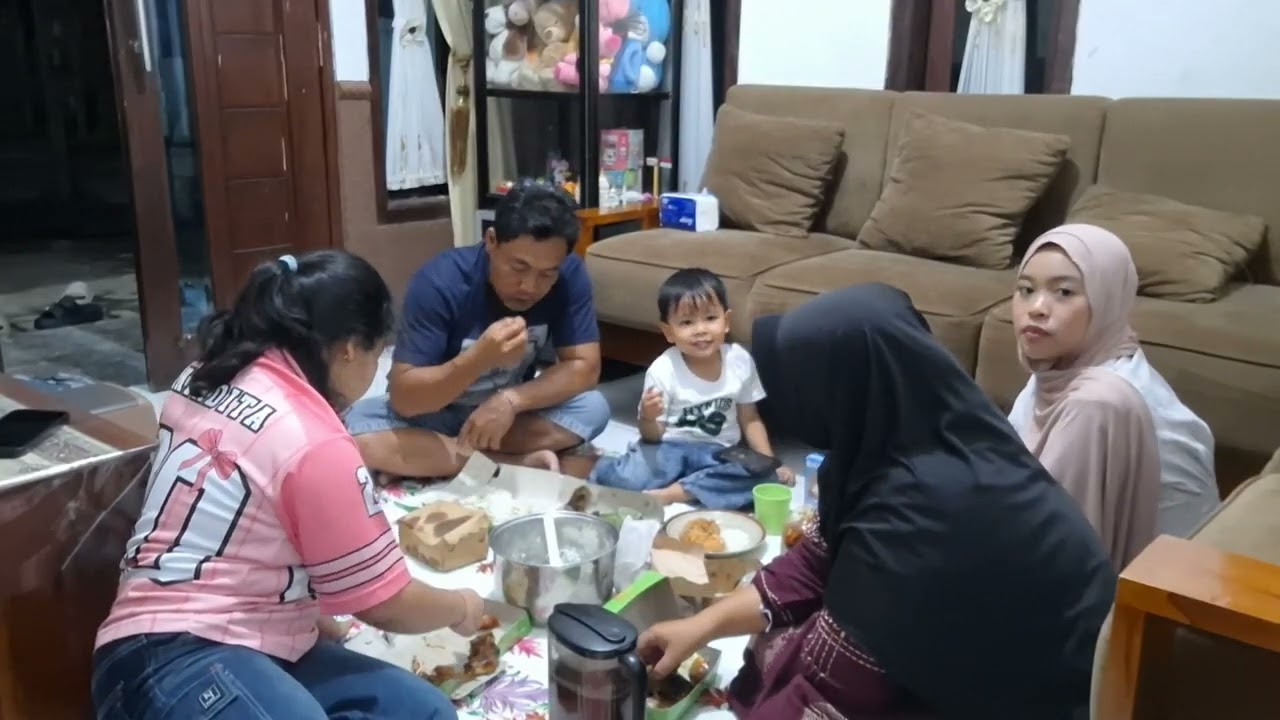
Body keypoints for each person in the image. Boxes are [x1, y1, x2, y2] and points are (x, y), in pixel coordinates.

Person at [637, 283, 1116, 719]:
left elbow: (838, 685)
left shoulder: (922, 509)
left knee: (788, 655)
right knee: (780, 640)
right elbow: (811, 565)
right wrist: (700, 627)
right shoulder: (921, 435)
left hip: (1025, 698)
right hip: (969, 651)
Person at [92, 252, 482, 719]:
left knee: (424, 711)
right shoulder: (313, 439)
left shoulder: (207, 372)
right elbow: (385, 602)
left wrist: (302, 613)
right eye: (378, 354)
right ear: (349, 348)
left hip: (254, 640)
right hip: (171, 656)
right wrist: (460, 605)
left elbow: (241, 520)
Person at [346, 181, 610, 478]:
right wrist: (479, 359)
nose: (529, 286)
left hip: (511, 420)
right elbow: (405, 399)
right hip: (434, 414)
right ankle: (509, 463)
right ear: (491, 240)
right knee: (353, 431)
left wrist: (510, 401)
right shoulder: (440, 281)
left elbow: (584, 366)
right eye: (518, 268)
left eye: (547, 274)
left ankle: (436, 457)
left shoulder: (570, 275)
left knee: (593, 408)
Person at [1010, 223, 1217, 565]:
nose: (1037, 307)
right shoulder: (1066, 367)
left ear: (1107, 300)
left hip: (1159, 585)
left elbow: (1039, 537)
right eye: (1026, 289)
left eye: (1064, 292)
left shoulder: (1096, 403)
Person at [587, 269, 792, 508]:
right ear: (669, 332)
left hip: (719, 451)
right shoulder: (663, 370)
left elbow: (750, 418)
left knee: (765, 478)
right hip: (669, 447)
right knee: (627, 480)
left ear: (726, 322)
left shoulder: (739, 360)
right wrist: (648, 417)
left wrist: (768, 462)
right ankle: (602, 464)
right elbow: (653, 435)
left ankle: (676, 492)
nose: (700, 330)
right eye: (686, 322)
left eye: (710, 318)